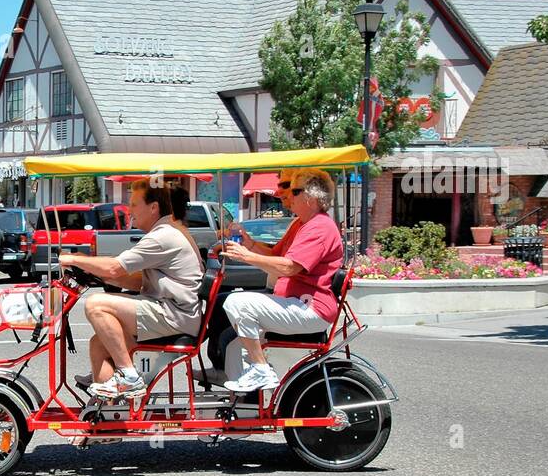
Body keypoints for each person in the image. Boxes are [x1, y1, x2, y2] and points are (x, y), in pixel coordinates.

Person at [60, 179, 203, 399]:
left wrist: (73, 259)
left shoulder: (162, 236)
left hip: (175, 315)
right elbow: (135, 281)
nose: (129, 210)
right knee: (99, 343)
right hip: (173, 312)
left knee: (96, 305)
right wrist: (95, 269)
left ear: (153, 207)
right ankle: (106, 418)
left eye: (134, 204)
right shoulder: (165, 232)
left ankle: (129, 376)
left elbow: (115, 268)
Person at [217, 169, 344, 393]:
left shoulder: (319, 227)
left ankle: (260, 369)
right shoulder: (300, 223)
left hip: (309, 307)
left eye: (295, 190)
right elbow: (275, 255)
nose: (287, 195)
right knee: (233, 344)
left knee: (236, 303)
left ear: (311, 198)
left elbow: (290, 267)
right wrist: (248, 243)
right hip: (295, 302)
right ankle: (244, 406)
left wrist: (246, 256)